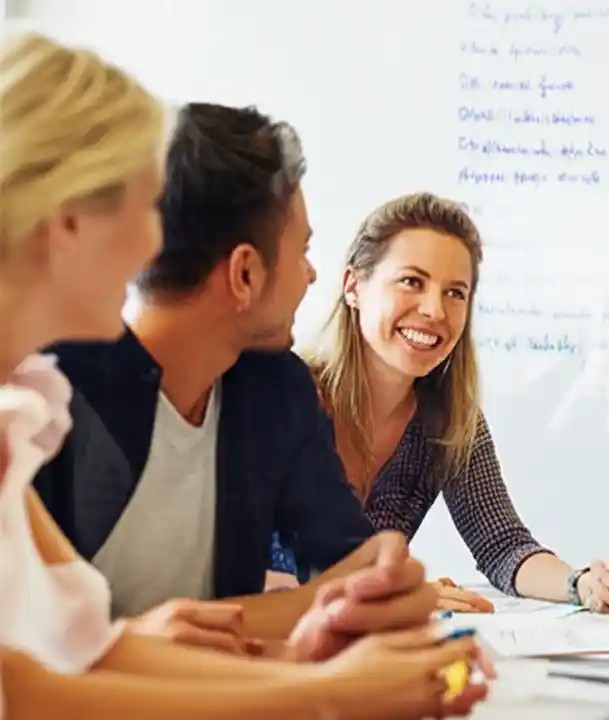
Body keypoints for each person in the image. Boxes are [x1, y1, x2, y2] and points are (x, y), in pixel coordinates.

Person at [0, 32, 486, 719]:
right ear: (68, 222)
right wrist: (328, 687)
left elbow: (93, 649)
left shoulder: (24, 415)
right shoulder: (50, 396)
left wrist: (320, 656)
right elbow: (36, 688)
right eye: (139, 209)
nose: (154, 245)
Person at [31, 101, 437, 650]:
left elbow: (364, 571)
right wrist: (148, 640)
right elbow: (31, 641)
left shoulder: (275, 391)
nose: (310, 274)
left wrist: (381, 576)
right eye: (303, 250)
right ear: (245, 273)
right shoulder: (52, 391)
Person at [273, 192, 609, 613]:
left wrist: (582, 584)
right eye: (411, 281)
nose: (435, 310)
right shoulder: (285, 396)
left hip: (359, 641)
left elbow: (503, 545)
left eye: (455, 293)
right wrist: (399, 594)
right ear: (353, 286)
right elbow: (257, 574)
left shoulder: (448, 421)